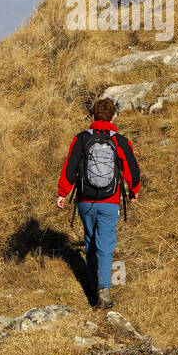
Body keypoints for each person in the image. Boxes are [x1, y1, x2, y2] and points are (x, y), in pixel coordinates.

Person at [56, 98, 140, 309]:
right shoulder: (120, 140)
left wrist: (62, 193)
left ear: (92, 116)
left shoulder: (82, 138)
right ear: (113, 117)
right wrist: (134, 190)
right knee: (105, 245)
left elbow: (70, 167)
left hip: (85, 201)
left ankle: (93, 286)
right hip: (110, 201)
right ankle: (103, 293)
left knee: (90, 241)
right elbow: (132, 168)